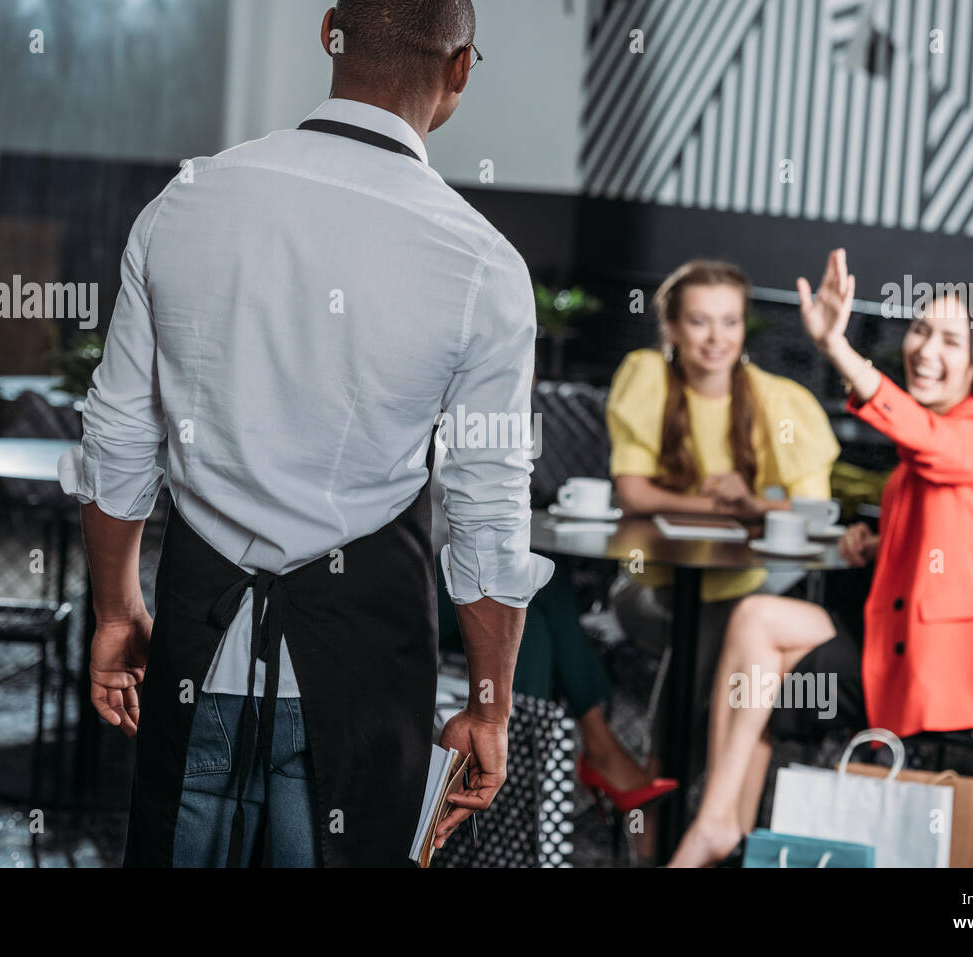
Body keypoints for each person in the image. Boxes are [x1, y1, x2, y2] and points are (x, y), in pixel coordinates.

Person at [59, 0, 554, 868]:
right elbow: (488, 518)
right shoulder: (484, 267)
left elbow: (119, 439)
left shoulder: (187, 201)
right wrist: (489, 705)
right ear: (461, 69)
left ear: (330, 29)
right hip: (362, 669)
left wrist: (115, 609)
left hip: (192, 641)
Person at [668, 248, 973, 867]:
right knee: (755, 623)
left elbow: (925, 440)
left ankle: (715, 827)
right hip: (887, 642)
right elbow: (940, 511)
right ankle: (718, 825)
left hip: (934, 672)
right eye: (920, 331)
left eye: (949, 339)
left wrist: (835, 345)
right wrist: (877, 540)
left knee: (760, 676)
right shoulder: (942, 433)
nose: (925, 349)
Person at [605, 259, 840, 784]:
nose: (716, 338)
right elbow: (634, 493)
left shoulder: (775, 400)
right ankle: (704, 810)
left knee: (723, 626)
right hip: (647, 591)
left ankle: (662, 797)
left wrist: (754, 503)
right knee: (718, 628)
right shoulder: (648, 378)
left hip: (735, 589)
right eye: (699, 321)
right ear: (671, 327)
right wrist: (724, 507)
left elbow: (813, 509)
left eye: (729, 322)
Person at [428, 441, 677, 811]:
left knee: (533, 625)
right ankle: (590, 749)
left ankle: (518, 789)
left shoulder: (479, 416)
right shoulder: (446, 420)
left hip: (457, 583)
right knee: (538, 577)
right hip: (422, 594)